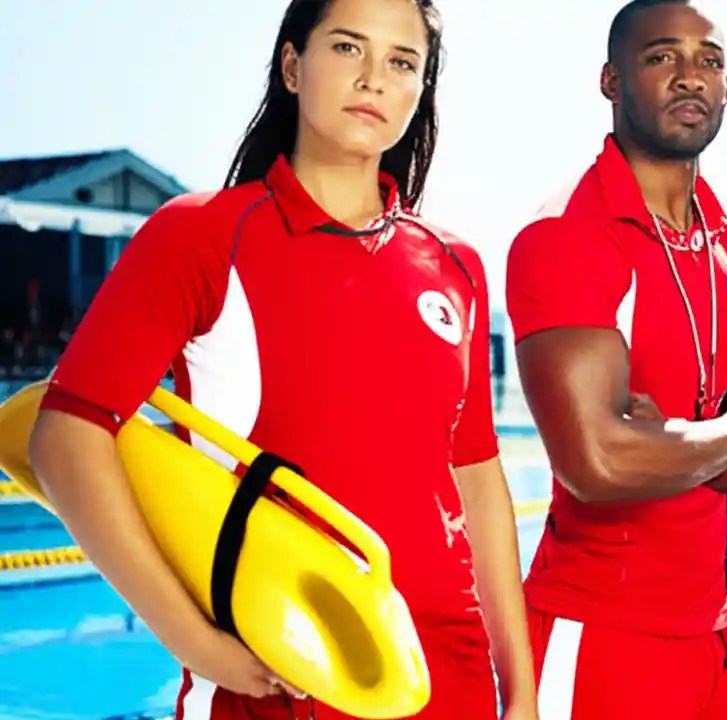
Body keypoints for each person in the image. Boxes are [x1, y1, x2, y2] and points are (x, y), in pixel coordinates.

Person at [26, 1, 536, 718]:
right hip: (280, 677)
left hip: (446, 677)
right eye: (348, 48)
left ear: (422, 89)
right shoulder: (202, 238)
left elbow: (478, 480)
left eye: (402, 62)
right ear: (293, 66)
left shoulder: (455, 265)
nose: (375, 79)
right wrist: (200, 645)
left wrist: (521, 691)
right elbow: (65, 439)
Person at [504, 1, 727, 717]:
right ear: (611, 81)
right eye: (662, 57)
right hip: (604, 639)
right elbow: (601, 464)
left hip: (725, 641)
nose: (690, 77)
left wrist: (679, 441)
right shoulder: (567, 240)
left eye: (708, 61)